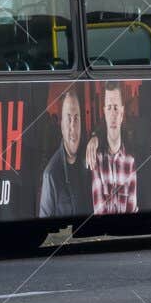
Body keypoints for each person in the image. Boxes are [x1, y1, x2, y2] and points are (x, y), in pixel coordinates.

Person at [86, 82, 137, 214]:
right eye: (109, 107)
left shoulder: (131, 161)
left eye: (116, 108)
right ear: (104, 112)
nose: (113, 114)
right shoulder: (96, 158)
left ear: (122, 111)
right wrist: (94, 136)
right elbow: (99, 211)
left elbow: (132, 210)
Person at [39, 86, 90, 218]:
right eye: (68, 119)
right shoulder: (51, 176)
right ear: (61, 126)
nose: (73, 126)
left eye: (76, 118)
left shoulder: (90, 158)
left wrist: (97, 137)